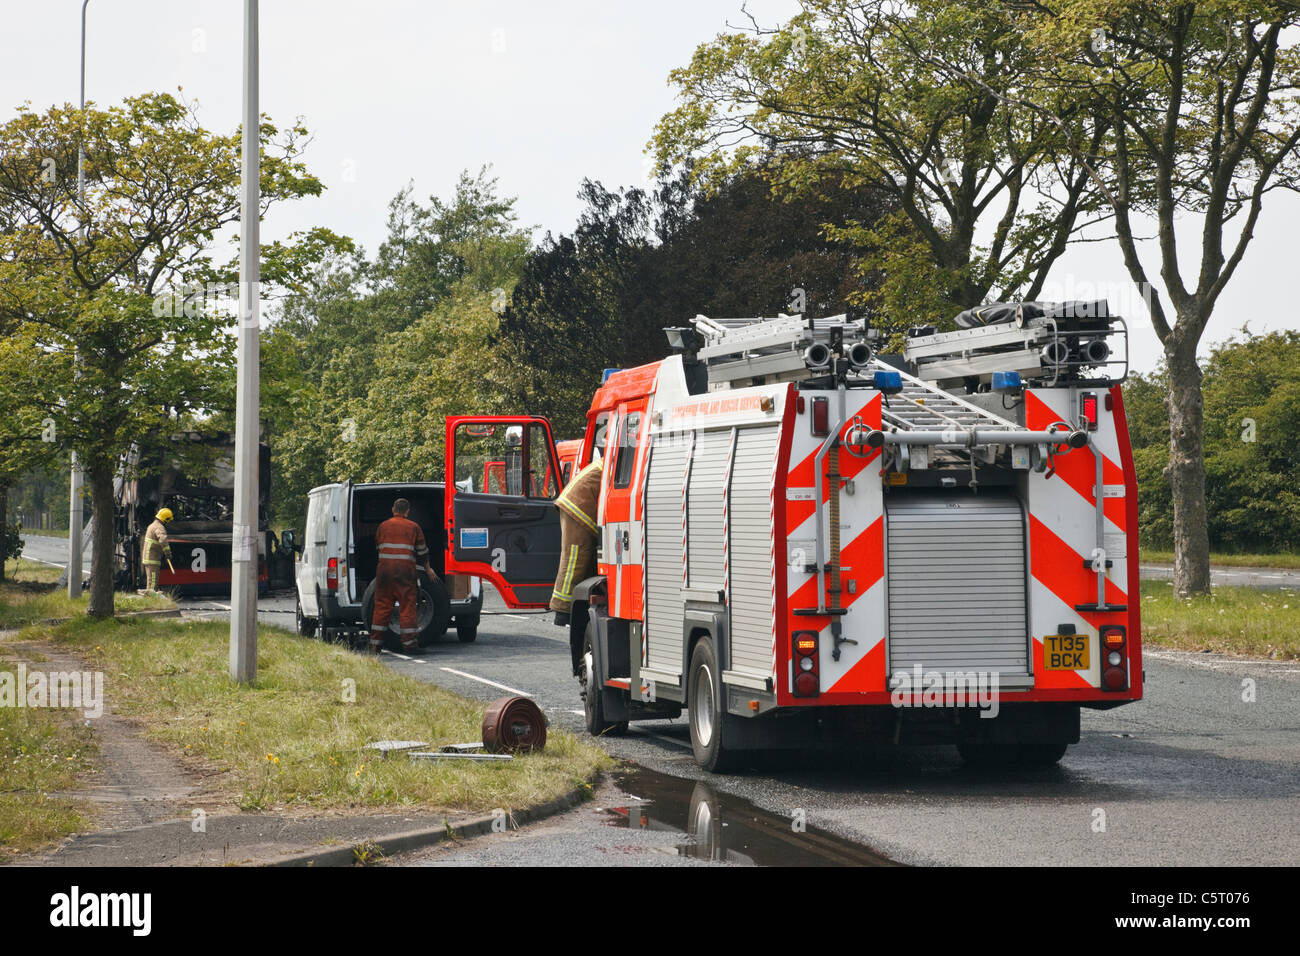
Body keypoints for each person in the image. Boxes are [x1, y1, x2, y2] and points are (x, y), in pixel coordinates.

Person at [370, 498, 434, 655]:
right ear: (407, 511)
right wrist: (428, 568)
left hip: (384, 572)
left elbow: (378, 546)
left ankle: (374, 646)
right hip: (405, 573)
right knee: (407, 607)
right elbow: (422, 551)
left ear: (393, 509)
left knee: (382, 607)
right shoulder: (414, 527)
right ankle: (410, 645)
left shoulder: (382, 526)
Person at [550, 454, 603, 627]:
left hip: (577, 502)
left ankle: (575, 605)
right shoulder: (616, 462)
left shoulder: (611, 460)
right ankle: (563, 610)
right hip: (578, 506)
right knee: (575, 557)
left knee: (581, 558)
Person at [139, 508, 174, 595]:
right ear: (166, 519)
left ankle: (149, 598)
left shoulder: (152, 525)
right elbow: (163, 540)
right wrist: (168, 554)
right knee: (153, 583)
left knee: (150, 581)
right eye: (168, 520)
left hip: (149, 558)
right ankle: (150, 601)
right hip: (152, 559)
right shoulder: (159, 527)